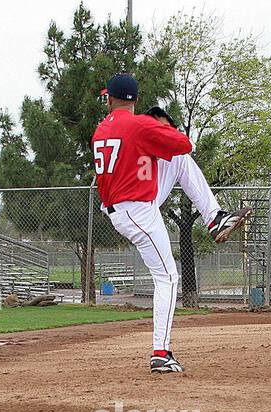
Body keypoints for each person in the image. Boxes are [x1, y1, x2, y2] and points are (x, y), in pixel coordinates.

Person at [93, 74, 204, 373]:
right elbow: (184, 143)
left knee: (178, 162)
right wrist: (159, 129)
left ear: (110, 98)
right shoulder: (138, 123)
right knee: (168, 277)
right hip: (137, 210)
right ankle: (161, 352)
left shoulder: (101, 129)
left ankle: (214, 217)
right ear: (135, 100)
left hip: (122, 207)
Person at [143, 106, 249, 243]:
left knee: (180, 157)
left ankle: (215, 219)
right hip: (129, 207)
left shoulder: (160, 155)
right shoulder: (134, 141)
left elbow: (185, 145)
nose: (165, 133)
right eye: (161, 128)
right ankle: (214, 219)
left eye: (167, 129)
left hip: (147, 206)